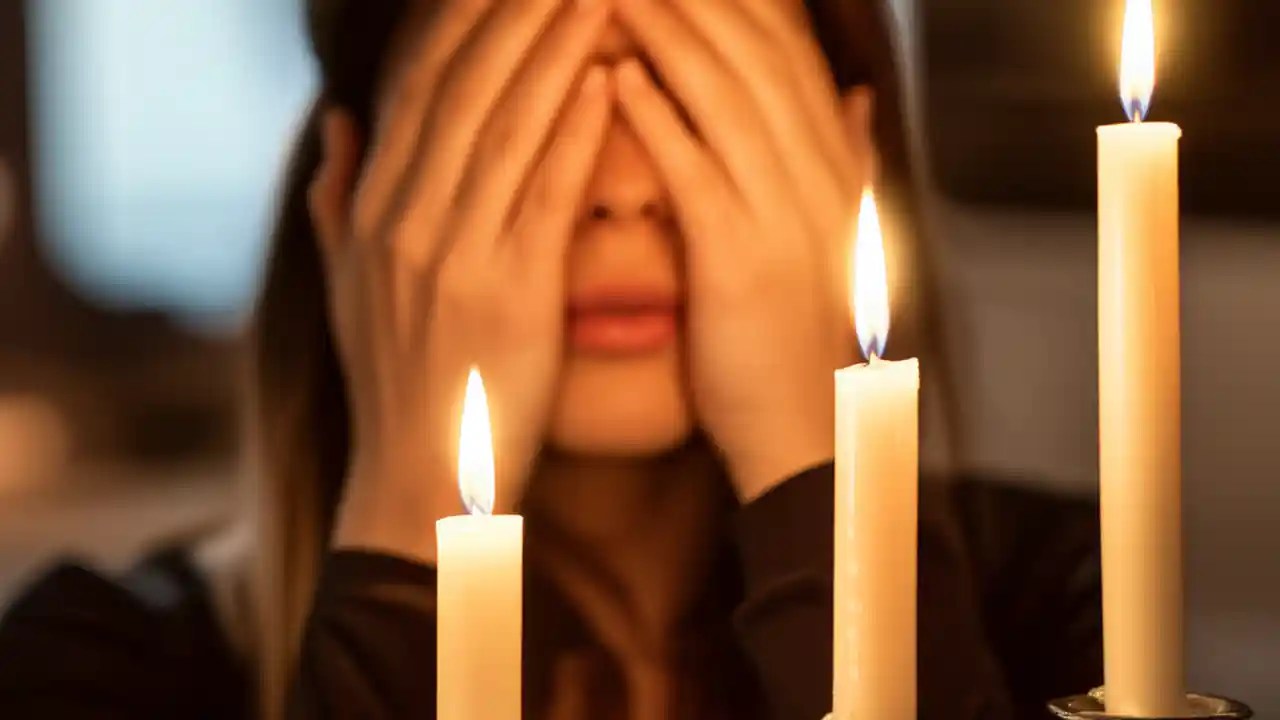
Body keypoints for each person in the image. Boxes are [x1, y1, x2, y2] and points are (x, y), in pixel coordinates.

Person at [0, 0, 1103, 718]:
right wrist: (412, 503)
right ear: (352, 196)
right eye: (532, 106)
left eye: (683, 96)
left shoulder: (1066, 601)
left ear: (843, 163)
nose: (620, 189)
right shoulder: (103, 663)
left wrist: (816, 457)